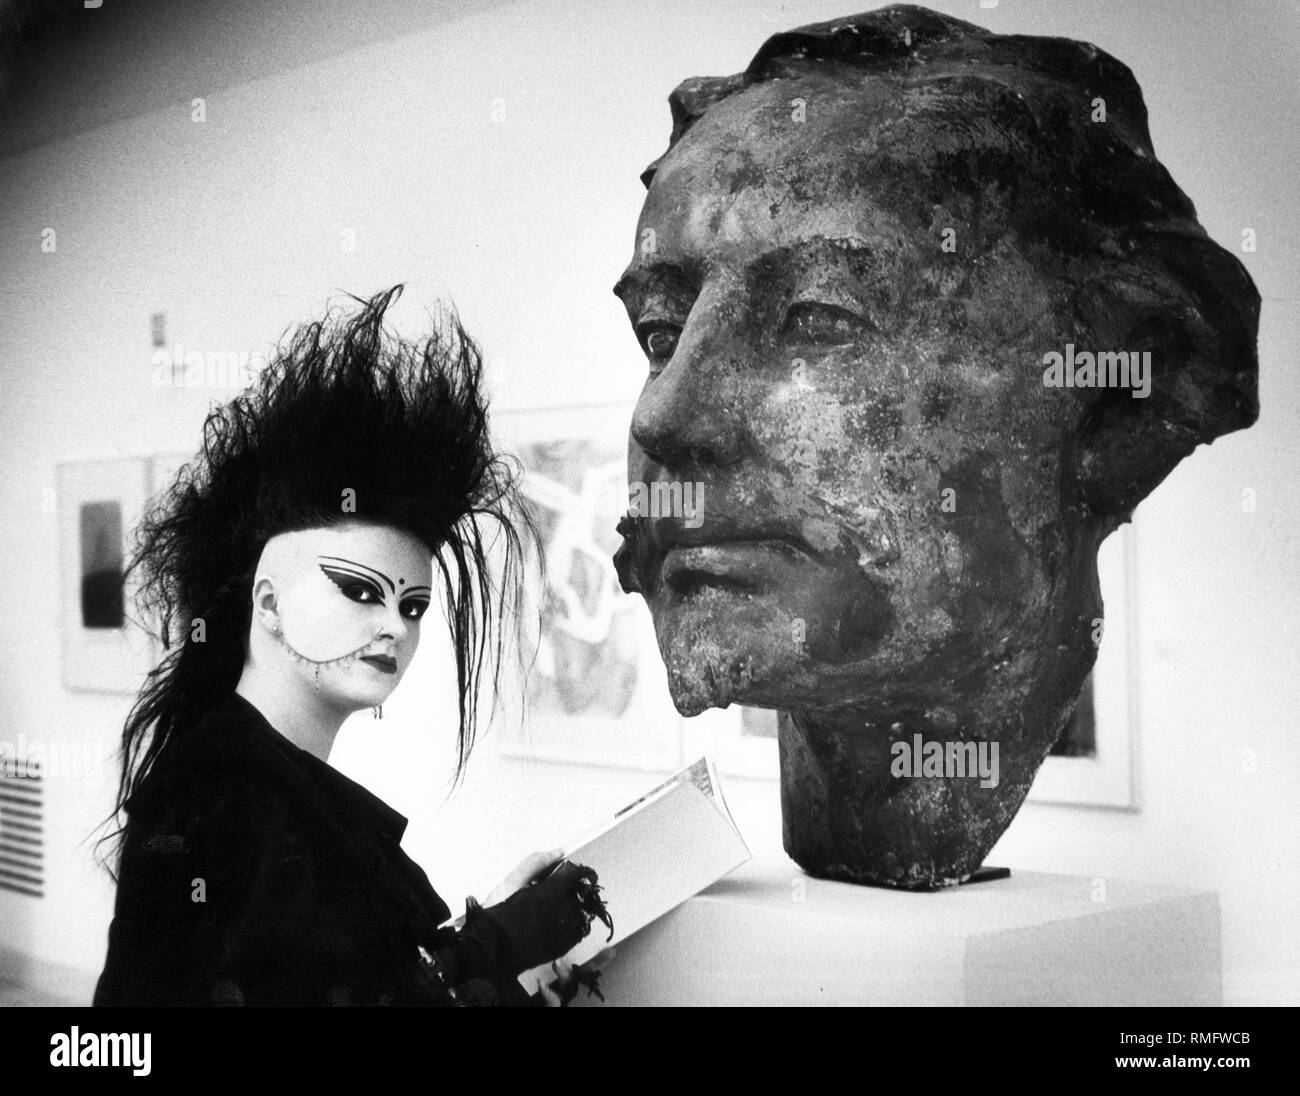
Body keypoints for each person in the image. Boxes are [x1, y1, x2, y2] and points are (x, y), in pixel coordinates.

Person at [94, 286, 609, 1006]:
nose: (395, 626)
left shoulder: (270, 790)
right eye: (359, 591)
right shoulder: (220, 803)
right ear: (268, 602)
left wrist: (482, 947)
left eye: (414, 605)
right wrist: (496, 951)